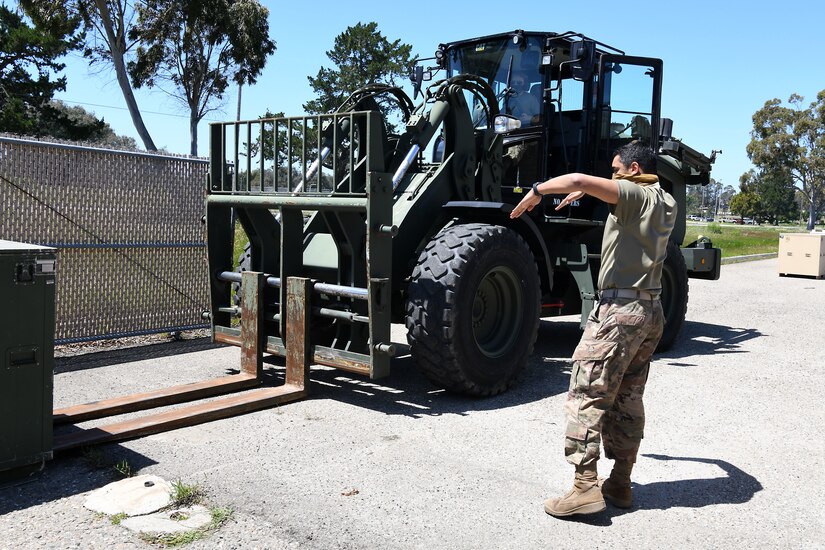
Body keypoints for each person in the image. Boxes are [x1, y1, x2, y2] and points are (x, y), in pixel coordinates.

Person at [509, 141, 677, 517]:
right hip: (650, 310)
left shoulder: (633, 194)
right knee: (628, 397)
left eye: (617, 169)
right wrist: (584, 191)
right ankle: (620, 482)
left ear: (635, 170)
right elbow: (592, 186)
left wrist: (538, 192)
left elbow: (580, 177)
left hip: (619, 311)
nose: (612, 176)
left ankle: (584, 487)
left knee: (587, 393)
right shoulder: (666, 200)